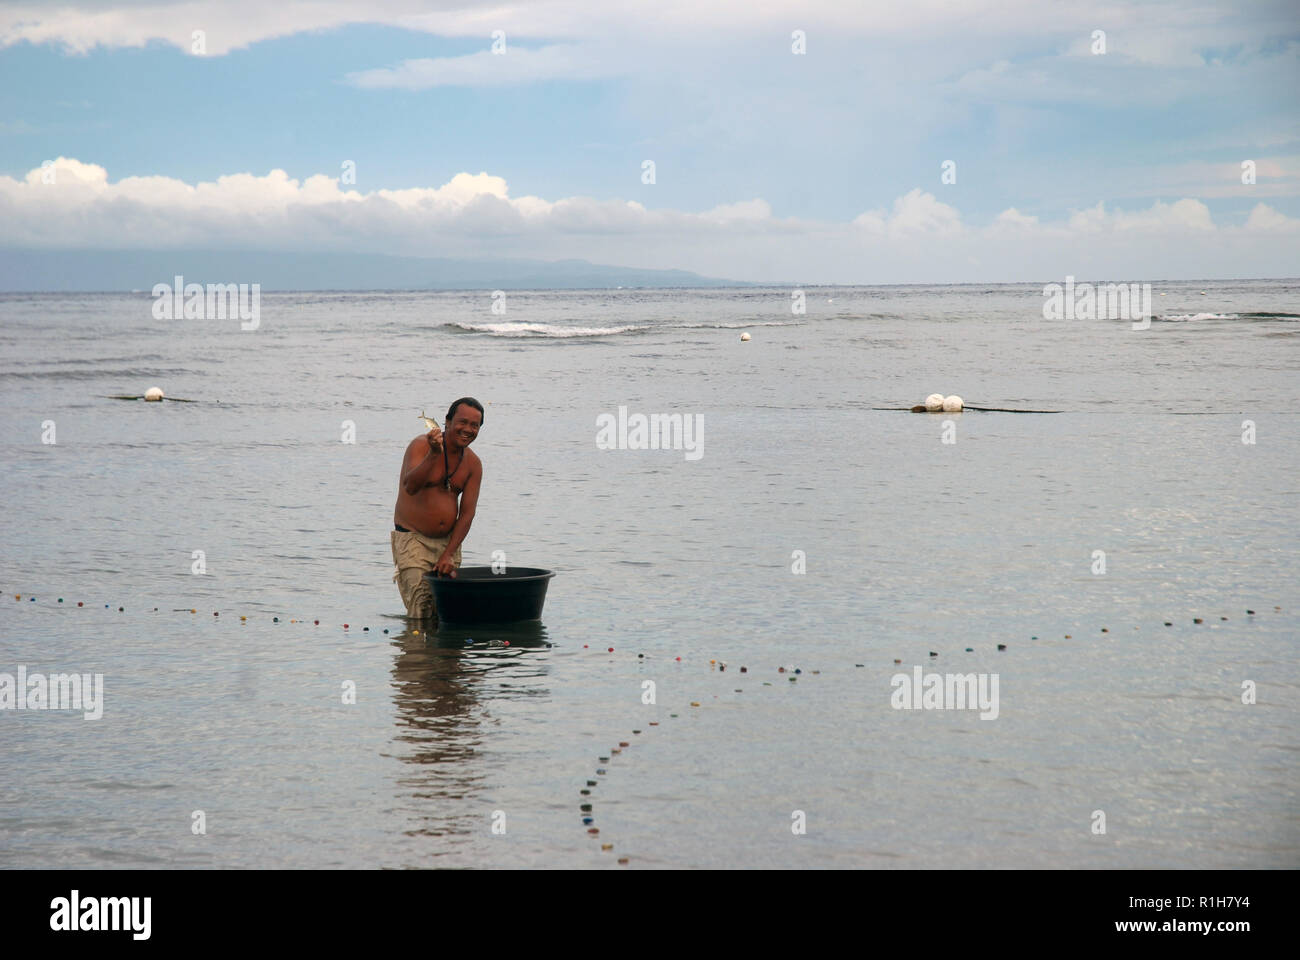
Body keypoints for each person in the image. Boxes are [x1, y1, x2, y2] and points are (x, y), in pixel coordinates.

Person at [391, 397, 484, 620]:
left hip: (449, 544)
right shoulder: (421, 446)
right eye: (462, 422)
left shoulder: (473, 464)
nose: (468, 429)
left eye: (475, 425)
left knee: (445, 613)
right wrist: (434, 455)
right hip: (413, 540)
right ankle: (415, 653)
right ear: (447, 422)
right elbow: (410, 487)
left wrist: (449, 553)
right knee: (420, 610)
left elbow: (467, 514)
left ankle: (444, 655)